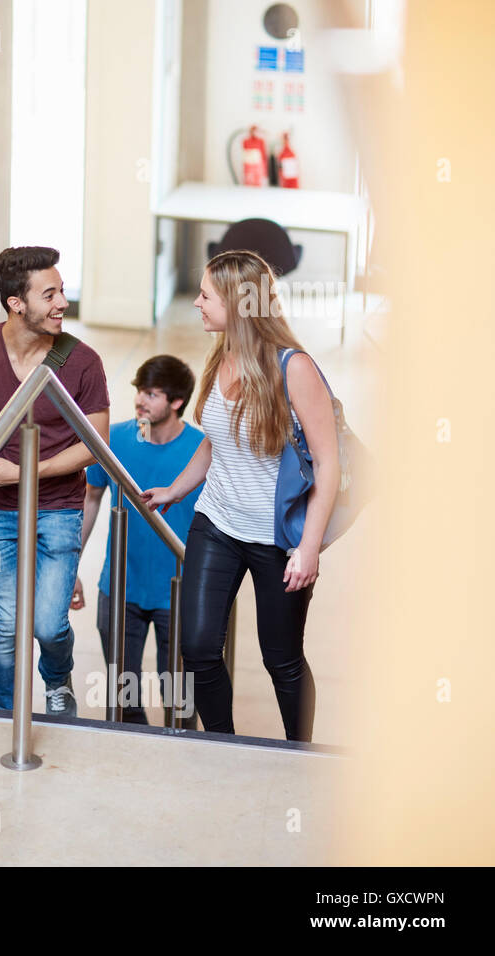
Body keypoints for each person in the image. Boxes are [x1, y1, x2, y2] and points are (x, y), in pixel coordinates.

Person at [141, 250, 338, 742]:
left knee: (282, 660)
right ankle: (224, 743)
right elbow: (216, 440)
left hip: (276, 539)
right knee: (199, 645)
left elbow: (328, 462)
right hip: (217, 523)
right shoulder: (221, 354)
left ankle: (300, 750)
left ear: (236, 302)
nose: (197, 304)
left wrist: (309, 548)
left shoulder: (294, 369)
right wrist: (177, 488)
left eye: (205, 295)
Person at [0, 246, 110, 715]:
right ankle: (6, 710)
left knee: (49, 626)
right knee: (7, 627)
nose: (63, 303)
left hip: (57, 508)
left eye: (62, 291)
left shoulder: (82, 361)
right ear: (16, 302)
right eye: (49, 294)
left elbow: (95, 444)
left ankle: (57, 681)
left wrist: (24, 471)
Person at [79, 355, 203, 727]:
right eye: (139, 391)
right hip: (119, 590)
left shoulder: (202, 451)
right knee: (123, 698)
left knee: (180, 701)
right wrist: (72, 564)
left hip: (178, 595)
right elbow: (90, 499)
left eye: (151, 394)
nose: (140, 401)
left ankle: (180, 765)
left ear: (177, 402)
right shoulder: (114, 439)